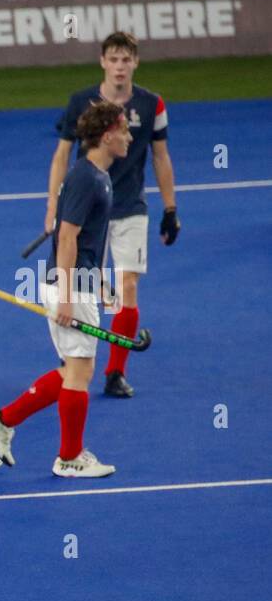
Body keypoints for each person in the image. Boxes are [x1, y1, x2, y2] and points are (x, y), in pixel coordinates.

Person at [0, 101, 130, 478]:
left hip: (80, 283)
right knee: (80, 370)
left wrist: (99, 280)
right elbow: (66, 238)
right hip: (69, 286)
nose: (129, 137)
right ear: (107, 134)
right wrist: (68, 294)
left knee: (73, 368)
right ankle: (69, 457)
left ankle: (4, 419)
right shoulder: (86, 178)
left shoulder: (99, 175)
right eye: (124, 130)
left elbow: (90, 239)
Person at [44, 31, 179, 398]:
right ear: (103, 62)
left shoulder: (152, 104)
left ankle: (115, 371)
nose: (120, 66)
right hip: (88, 210)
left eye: (127, 59)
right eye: (113, 59)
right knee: (88, 287)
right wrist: (53, 206)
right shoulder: (80, 102)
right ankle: (73, 361)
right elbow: (61, 156)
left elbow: (161, 156)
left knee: (126, 287)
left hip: (129, 206)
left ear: (135, 62)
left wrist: (170, 208)